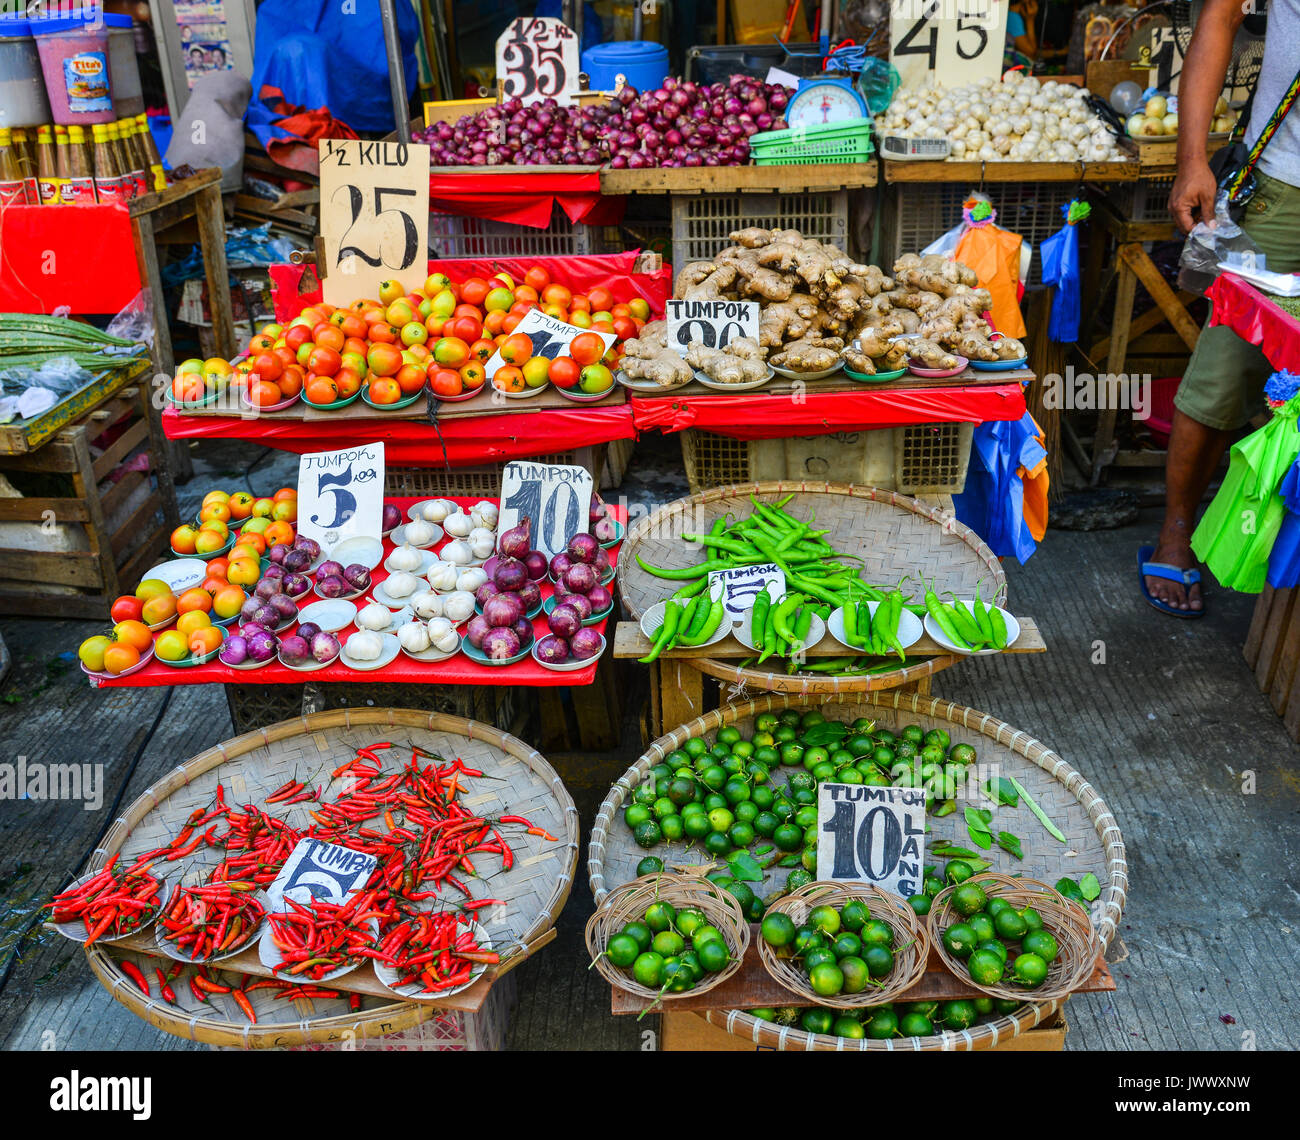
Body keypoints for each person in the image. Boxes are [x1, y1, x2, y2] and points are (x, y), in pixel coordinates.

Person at [1144, 0, 1300, 616]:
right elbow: (1222, 13)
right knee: (1226, 371)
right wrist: (1191, 158)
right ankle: (1176, 535)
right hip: (1284, 186)